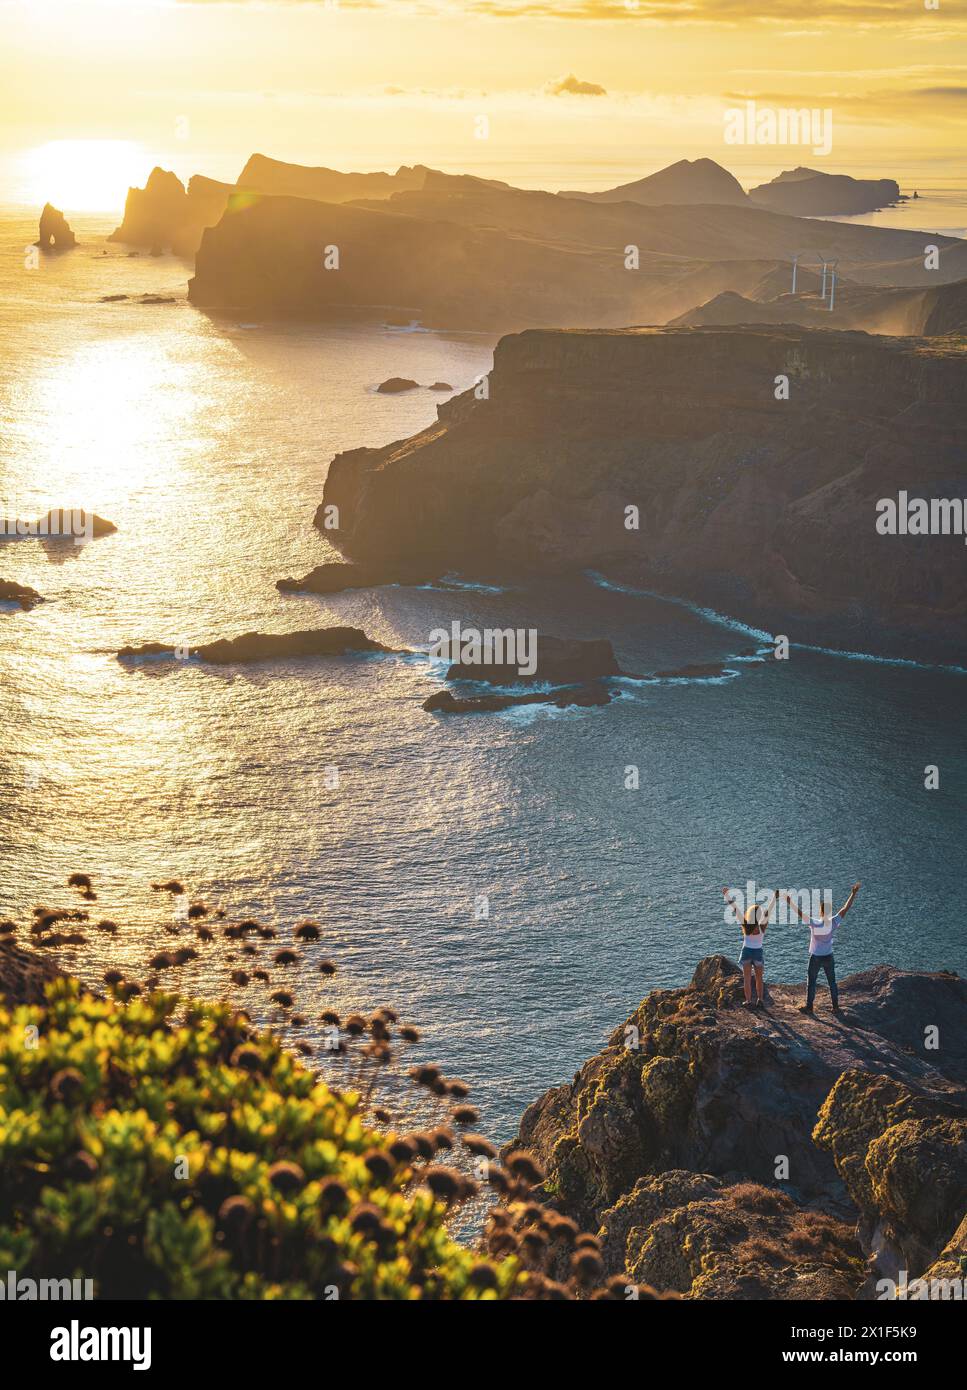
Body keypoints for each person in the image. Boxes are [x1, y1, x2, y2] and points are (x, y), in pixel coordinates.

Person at [783, 882, 861, 1015]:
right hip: (829, 956)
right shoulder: (834, 922)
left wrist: (790, 902)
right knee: (832, 982)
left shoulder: (814, 923)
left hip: (816, 957)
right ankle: (835, 1007)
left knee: (811, 982)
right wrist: (853, 894)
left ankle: (809, 1007)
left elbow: (799, 913)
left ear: (821, 911)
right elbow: (845, 908)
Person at [723, 887, 778, 1009]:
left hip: (747, 951)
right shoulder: (762, 926)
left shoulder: (746, 925)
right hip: (757, 952)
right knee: (759, 978)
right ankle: (760, 999)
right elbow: (769, 910)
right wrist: (774, 897)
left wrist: (727, 895)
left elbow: (736, 909)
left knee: (747, 979)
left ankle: (748, 1001)